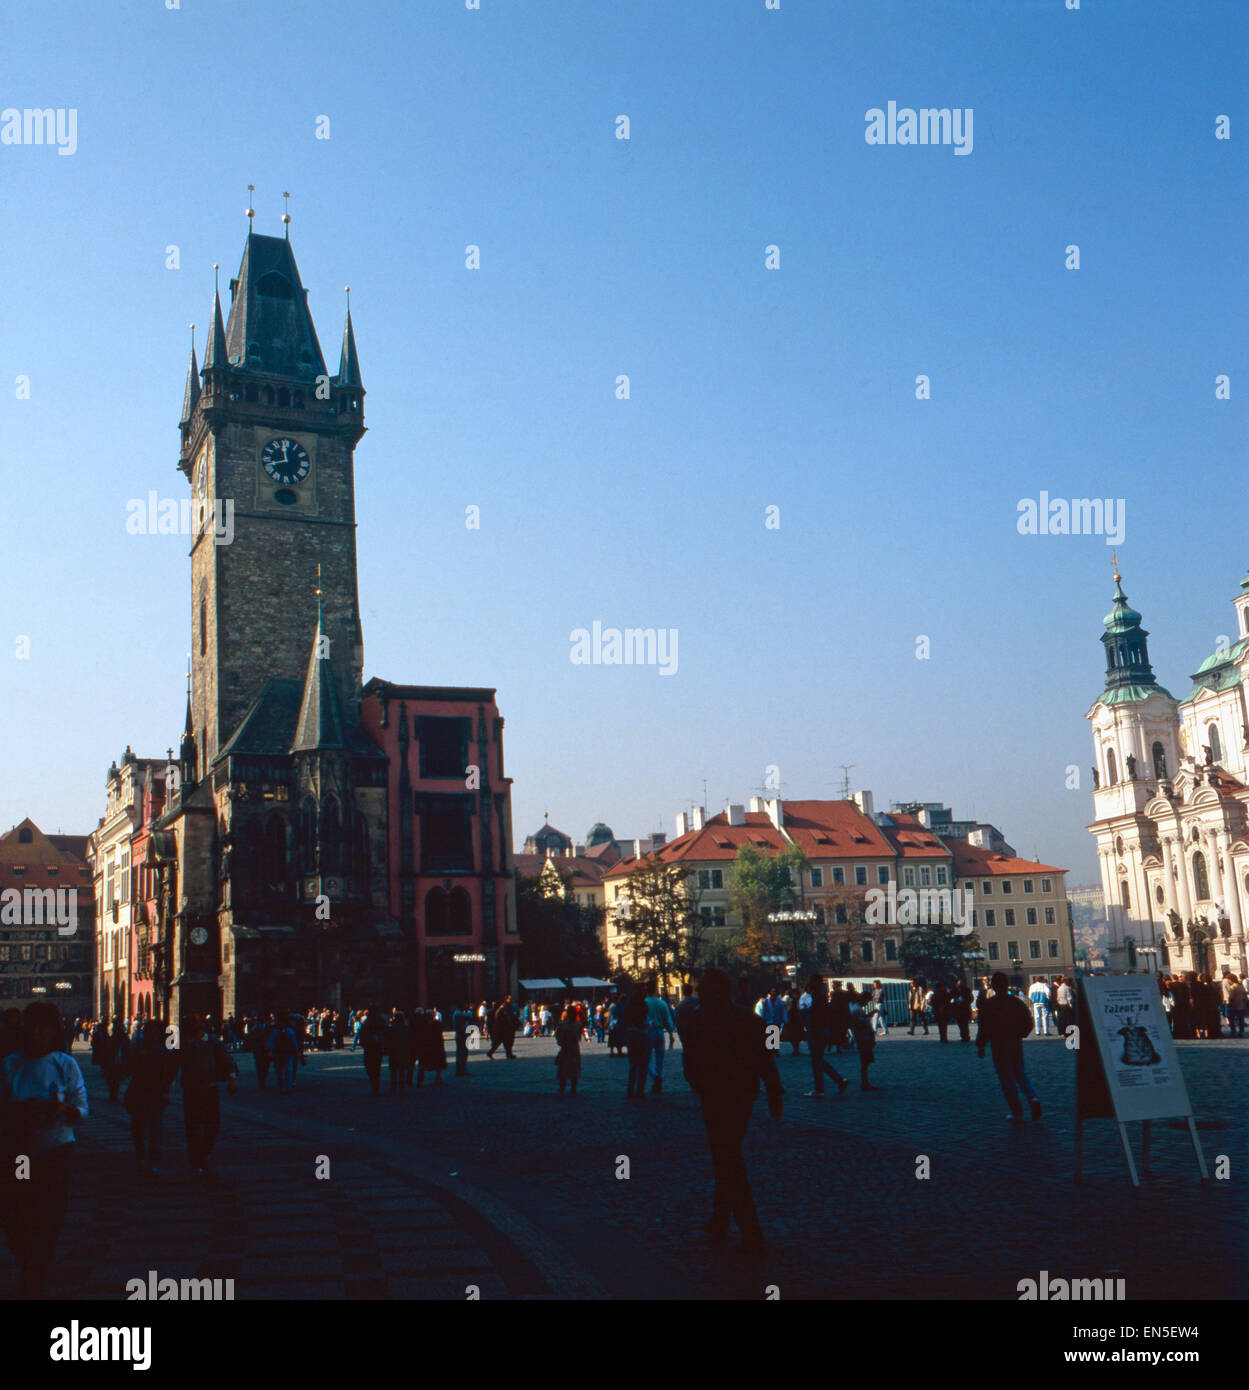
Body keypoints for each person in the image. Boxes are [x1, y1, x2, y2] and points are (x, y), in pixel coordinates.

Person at [683, 968, 784, 1255]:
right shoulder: (749, 1019)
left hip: (714, 1097)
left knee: (727, 1158)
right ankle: (720, 1221)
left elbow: (690, 1062)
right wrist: (774, 1093)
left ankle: (750, 1229)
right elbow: (766, 1060)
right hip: (742, 1097)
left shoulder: (699, 1020)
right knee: (726, 1154)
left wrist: (698, 1084)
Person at [0, 1002, 88, 1296]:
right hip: (21, 1154)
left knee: (49, 1213)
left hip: (56, 1151)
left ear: (53, 1031)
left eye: (44, 1027)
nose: (38, 1032)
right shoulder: (11, 1064)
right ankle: (27, 1256)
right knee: (17, 1208)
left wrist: (64, 1110)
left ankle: (35, 1271)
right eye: (33, 1026)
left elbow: (82, 1109)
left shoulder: (65, 1064)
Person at [175, 1014, 237, 1176]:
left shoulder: (213, 1041)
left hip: (210, 1088)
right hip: (191, 1090)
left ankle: (203, 1153)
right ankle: (197, 1161)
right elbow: (171, 1065)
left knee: (213, 1125)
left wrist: (232, 1079)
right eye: (192, 1022)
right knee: (193, 1126)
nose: (195, 1025)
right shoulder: (183, 1044)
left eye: (197, 1022)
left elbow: (227, 1060)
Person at [977, 971, 1040, 1121]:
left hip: (998, 1044)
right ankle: (1033, 1097)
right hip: (1015, 1042)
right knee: (1019, 1072)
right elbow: (1029, 1023)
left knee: (1006, 1078)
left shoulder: (989, 1005)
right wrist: (1021, 1034)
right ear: (1007, 985)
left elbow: (983, 1027)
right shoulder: (1016, 1002)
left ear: (993, 986)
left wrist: (981, 1045)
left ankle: (1017, 1112)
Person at [124, 1019, 177, 1175]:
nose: (152, 1036)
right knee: (138, 1129)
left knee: (155, 1130)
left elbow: (169, 1074)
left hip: (155, 1095)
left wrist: (166, 1091)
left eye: (155, 1033)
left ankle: (153, 1162)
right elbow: (128, 1069)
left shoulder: (163, 1053)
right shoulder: (137, 1050)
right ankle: (141, 1157)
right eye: (150, 1032)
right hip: (139, 1094)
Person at [802, 975, 849, 1098]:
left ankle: (821, 1088)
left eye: (812, 980)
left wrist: (807, 1015)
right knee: (818, 1060)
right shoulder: (820, 995)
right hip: (821, 1030)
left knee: (816, 1060)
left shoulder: (818, 996)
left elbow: (816, 1015)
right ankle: (839, 1080)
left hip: (817, 1031)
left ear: (816, 981)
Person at [643, 985, 676, 1094]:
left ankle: (655, 1077)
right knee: (660, 1059)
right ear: (656, 991)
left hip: (648, 1032)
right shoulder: (662, 1003)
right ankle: (658, 1079)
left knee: (645, 1059)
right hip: (660, 1032)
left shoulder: (644, 1002)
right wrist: (671, 1033)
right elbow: (667, 1020)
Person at [847, 989, 879, 1091]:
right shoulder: (856, 1010)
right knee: (865, 1062)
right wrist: (869, 1016)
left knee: (865, 1061)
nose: (867, 1003)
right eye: (867, 1001)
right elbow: (860, 1023)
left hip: (864, 1036)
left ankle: (865, 1082)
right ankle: (865, 1083)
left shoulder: (857, 1009)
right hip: (862, 1037)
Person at [622, 988, 651, 1099]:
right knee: (643, 1066)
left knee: (633, 1065)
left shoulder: (628, 1009)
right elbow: (645, 1023)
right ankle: (640, 1091)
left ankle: (630, 1090)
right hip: (642, 1036)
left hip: (631, 1037)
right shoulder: (643, 1008)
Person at [359, 1005, 387, 1095]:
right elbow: (386, 1033)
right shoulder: (381, 1021)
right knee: (377, 1067)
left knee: (370, 1067)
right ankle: (376, 1086)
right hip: (378, 1047)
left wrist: (363, 1043)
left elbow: (362, 1034)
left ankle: (374, 1084)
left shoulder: (367, 1022)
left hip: (369, 1047)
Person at [269, 1015, 300, 1095]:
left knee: (283, 1070)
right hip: (286, 1053)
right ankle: (286, 1087)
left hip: (282, 1053)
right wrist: (296, 1051)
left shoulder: (276, 1031)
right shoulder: (289, 1031)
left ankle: (284, 1087)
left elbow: (271, 1042)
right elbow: (294, 1042)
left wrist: (271, 1051)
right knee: (287, 1070)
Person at [554, 1008, 582, 1095]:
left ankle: (569, 1086)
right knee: (566, 1068)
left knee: (570, 1068)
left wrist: (561, 1041)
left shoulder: (564, 1024)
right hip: (569, 1048)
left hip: (570, 1048)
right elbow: (558, 1035)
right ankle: (566, 1086)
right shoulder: (575, 1024)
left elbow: (558, 1035)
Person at [385, 1008, 411, 1094]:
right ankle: (402, 1088)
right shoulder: (406, 1028)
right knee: (402, 1070)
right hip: (403, 1051)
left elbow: (388, 1041)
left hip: (394, 1051)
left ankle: (393, 1087)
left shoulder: (391, 1028)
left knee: (393, 1070)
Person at [418, 1010, 447, 1085]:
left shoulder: (429, 1023)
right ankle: (422, 1078)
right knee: (427, 1062)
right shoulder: (427, 1023)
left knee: (436, 1062)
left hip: (433, 1045)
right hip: (431, 1045)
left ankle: (437, 1077)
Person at [451, 1002, 474, 1076]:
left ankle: (461, 1069)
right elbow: (469, 1017)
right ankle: (461, 1070)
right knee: (462, 1053)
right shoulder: (459, 1014)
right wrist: (470, 1010)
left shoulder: (459, 1013)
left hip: (462, 1035)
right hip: (462, 1035)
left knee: (461, 1053)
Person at [1224, 974, 1247, 1038]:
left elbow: (1231, 997)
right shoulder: (1240, 986)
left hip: (1234, 1006)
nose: (1228, 981)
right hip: (1241, 1005)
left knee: (1232, 1019)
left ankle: (1233, 1032)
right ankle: (1241, 1032)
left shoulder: (1233, 987)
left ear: (1231, 980)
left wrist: (1228, 1002)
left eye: (1228, 980)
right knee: (1241, 1019)